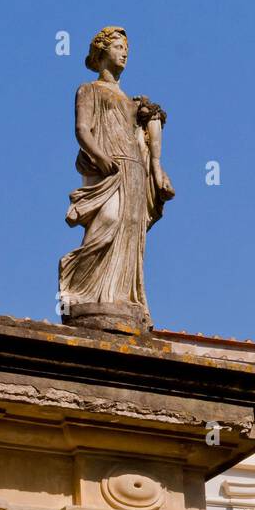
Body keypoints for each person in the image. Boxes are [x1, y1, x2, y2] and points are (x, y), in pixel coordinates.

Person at [59, 27, 174, 326]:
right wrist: (100, 157)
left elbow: (148, 134)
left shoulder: (130, 101)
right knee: (107, 222)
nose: (124, 52)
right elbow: (82, 130)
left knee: (131, 232)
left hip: (133, 170)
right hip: (108, 170)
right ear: (101, 52)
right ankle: (81, 291)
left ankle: (120, 297)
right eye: (118, 46)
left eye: (127, 48)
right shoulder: (89, 89)